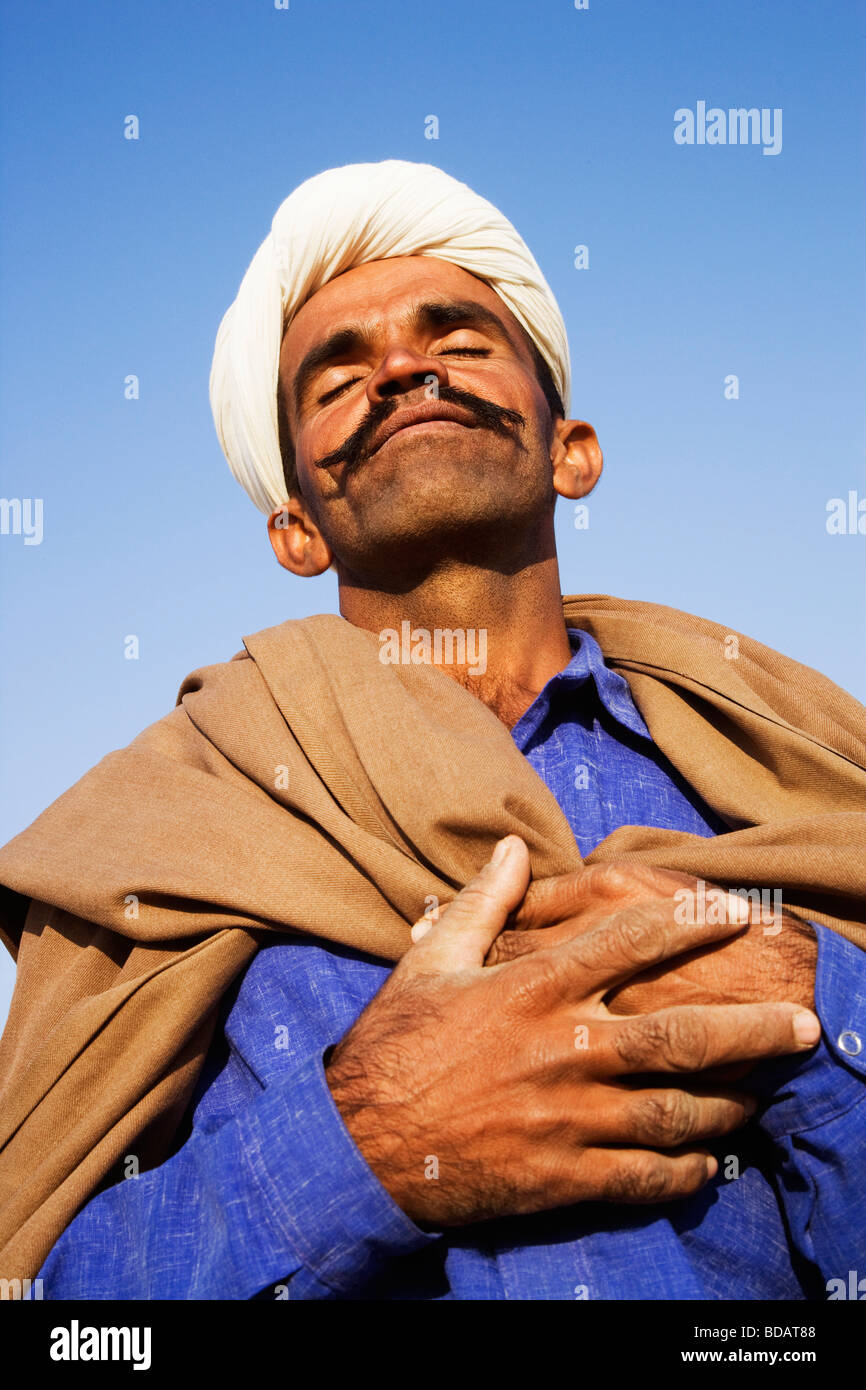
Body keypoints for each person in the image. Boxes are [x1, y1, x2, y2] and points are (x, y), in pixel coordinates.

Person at [1, 161, 864, 1300]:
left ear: (571, 452)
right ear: (296, 528)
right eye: (336, 373)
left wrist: (810, 1000)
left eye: (453, 336)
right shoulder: (180, 825)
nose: (402, 367)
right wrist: (362, 1141)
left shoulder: (787, 775)